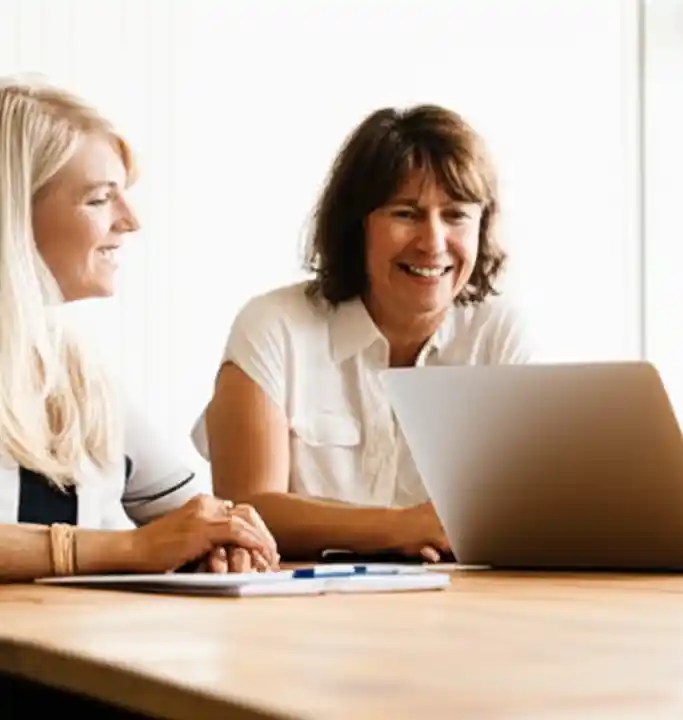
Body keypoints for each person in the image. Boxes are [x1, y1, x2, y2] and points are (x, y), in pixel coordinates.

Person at [194, 104, 532, 561]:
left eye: (455, 216)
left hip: (460, 610)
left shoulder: (498, 331)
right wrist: (400, 527)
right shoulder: (273, 325)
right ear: (358, 227)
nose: (433, 243)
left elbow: (522, 514)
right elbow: (248, 511)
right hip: (299, 616)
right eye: (406, 214)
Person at [0, 77, 278, 582]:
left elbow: (190, 513)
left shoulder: (78, 370)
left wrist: (222, 538)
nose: (130, 221)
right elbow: (147, 542)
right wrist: (131, 546)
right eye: (99, 199)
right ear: (13, 213)